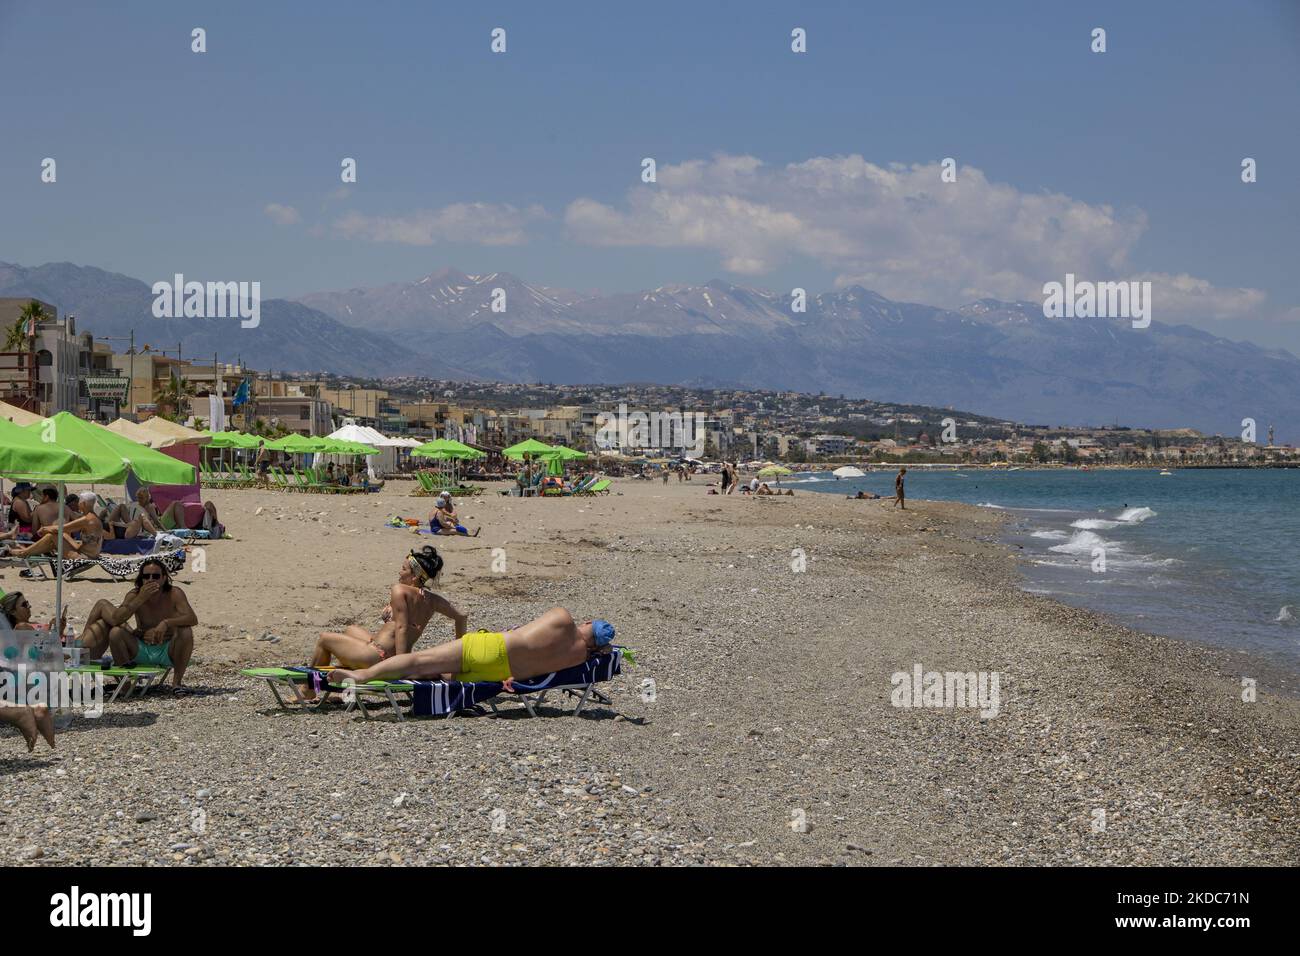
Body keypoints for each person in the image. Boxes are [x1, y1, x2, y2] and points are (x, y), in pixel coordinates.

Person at [301, 547, 467, 697]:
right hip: (385, 653)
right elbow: (461, 616)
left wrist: (401, 666)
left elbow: (401, 627)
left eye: (403, 569)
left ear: (415, 576)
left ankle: (309, 690)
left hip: (378, 656)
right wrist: (460, 653)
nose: (399, 572)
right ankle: (343, 691)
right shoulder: (433, 599)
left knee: (324, 639)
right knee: (351, 629)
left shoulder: (399, 590)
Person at [333, 608, 615, 691]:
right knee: (441, 675)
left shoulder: (563, 618)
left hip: (492, 648)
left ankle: (363, 677)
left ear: (588, 621)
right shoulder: (578, 656)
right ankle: (393, 682)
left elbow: (521, 630)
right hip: (500, 674)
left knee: (418, 661)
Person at [78, 559, 197, 691]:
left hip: (167, 649)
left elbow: (192, 618)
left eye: (156, 576)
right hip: (141, 649)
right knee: (116, 632)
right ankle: (126, 686)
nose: (151, 580)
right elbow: (116, 619)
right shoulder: (134, 595)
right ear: (141, 579)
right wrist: (140, 598)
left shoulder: (174, 593)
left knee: (185, 631)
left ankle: (177, 684)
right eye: (146, 576)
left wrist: (166, 623)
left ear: (164, 578)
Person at [0, 591, 59, 751]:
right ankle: (35, 709)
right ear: (12, 611)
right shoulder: (22, 628)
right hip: (27, 683)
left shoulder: (12, 631)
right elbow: (43, 653)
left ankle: (30, 710)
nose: (29, 607)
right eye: (24, 605)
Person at [8, 492, 106, 559]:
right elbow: (65, 529)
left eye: (79, 502)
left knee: (53, 535)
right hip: (91, 553)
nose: (78, 504)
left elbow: (60, 528)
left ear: (83, 504)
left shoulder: (87, 519)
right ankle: (27, 552)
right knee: (61, 535)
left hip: (84, 556)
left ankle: (24, 552)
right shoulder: (94, 517)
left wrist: (44, 528)